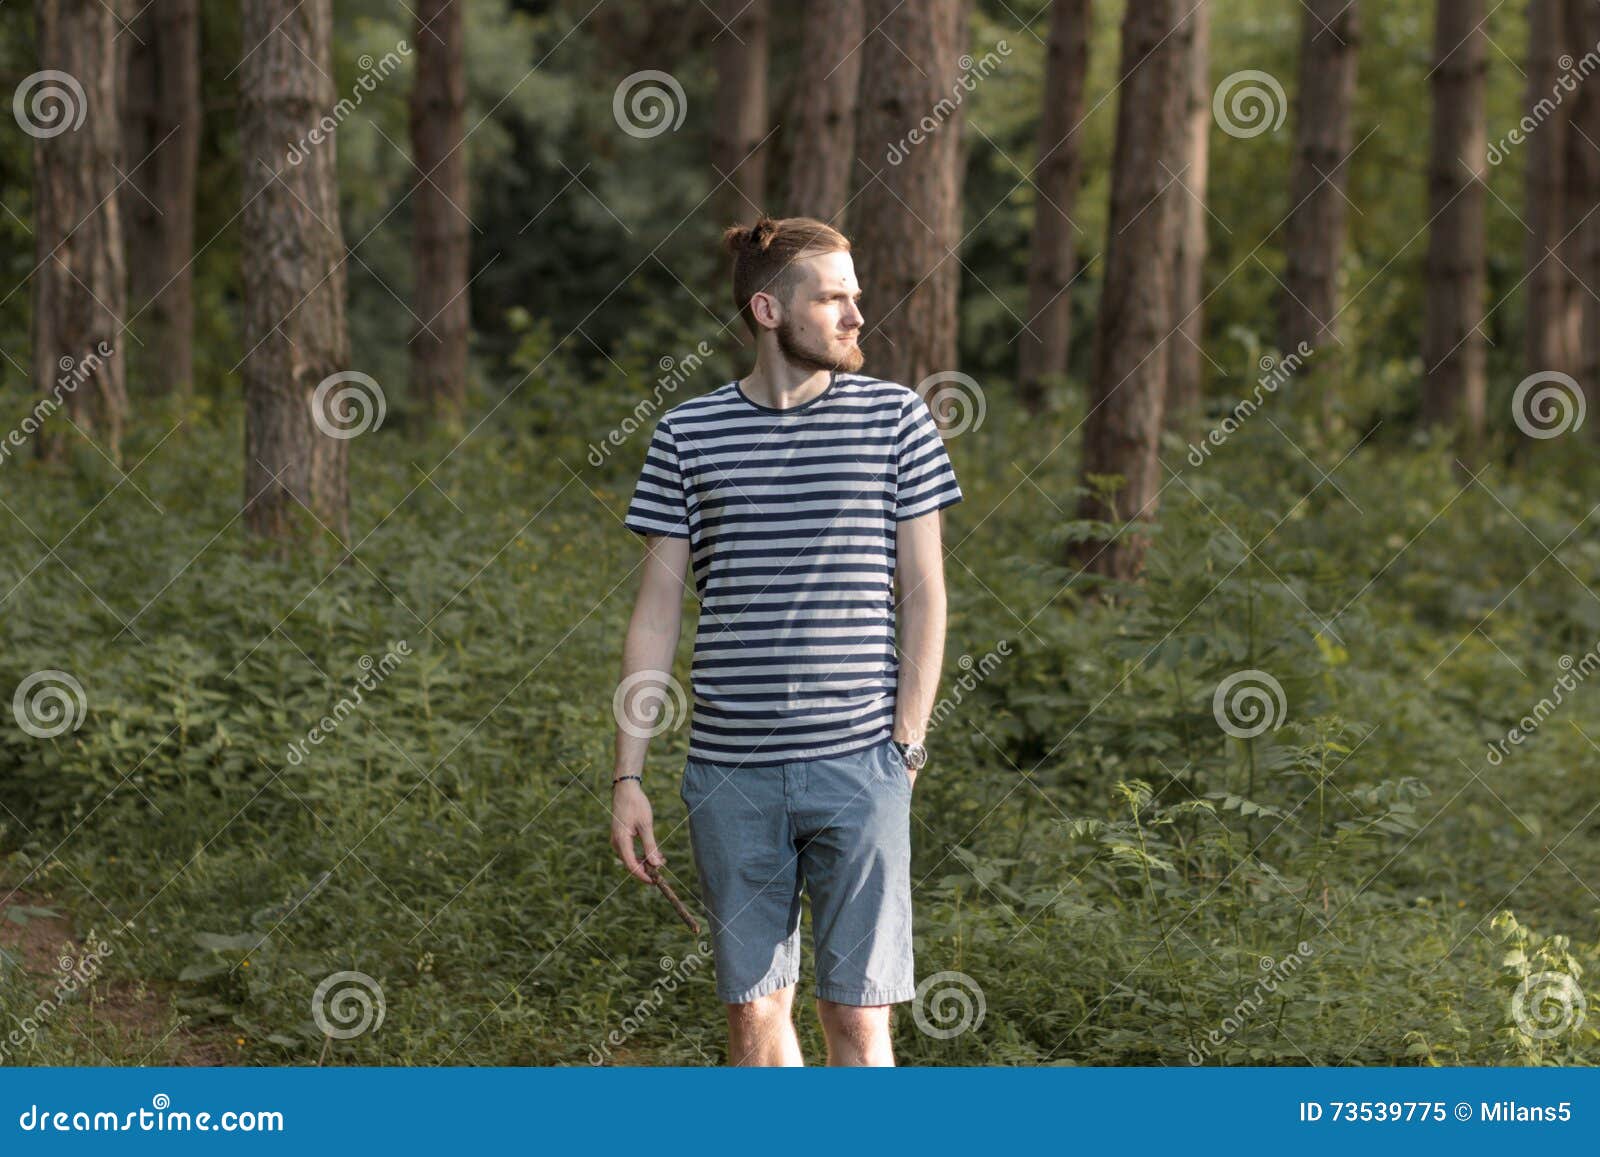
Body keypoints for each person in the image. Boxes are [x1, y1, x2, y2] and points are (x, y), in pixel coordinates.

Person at [610, 214, 963, 1065]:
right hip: (730, 776)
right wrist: (628, 772)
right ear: (768, 310)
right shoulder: (687, 434)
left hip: (861, 767)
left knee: (859, 1017)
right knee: (755, 1015)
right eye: (833, 298)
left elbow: (926, 597)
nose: (855, 317)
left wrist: (904, 748)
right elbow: (655, 613)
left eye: (857, 297)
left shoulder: (896, 420)